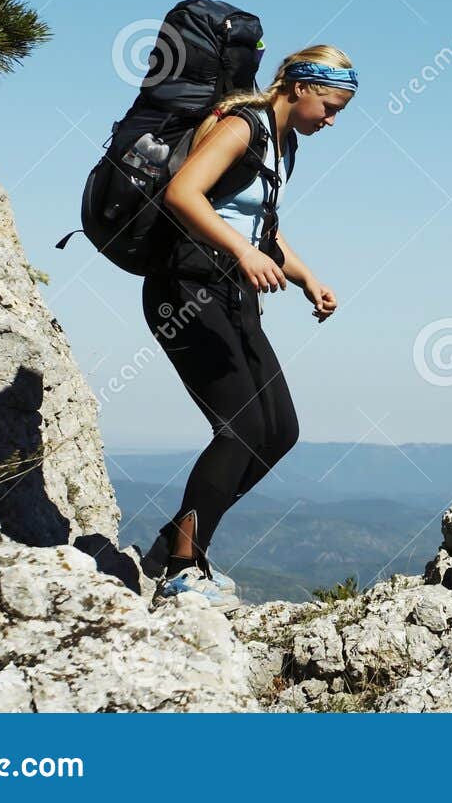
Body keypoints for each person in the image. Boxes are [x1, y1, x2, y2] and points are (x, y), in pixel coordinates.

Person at [138, 45, 356, 608]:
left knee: (278, 431)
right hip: (184, 293)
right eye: (329, 106)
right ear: (300, 87)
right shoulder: (241, 127)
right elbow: (182, 193)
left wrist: (306, 276)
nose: (331, 121)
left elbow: (262, 227)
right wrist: (242, 251)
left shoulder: (283, 146)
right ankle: (182, 570)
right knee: (237, 429)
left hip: (230, 294)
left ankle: (173, 544)